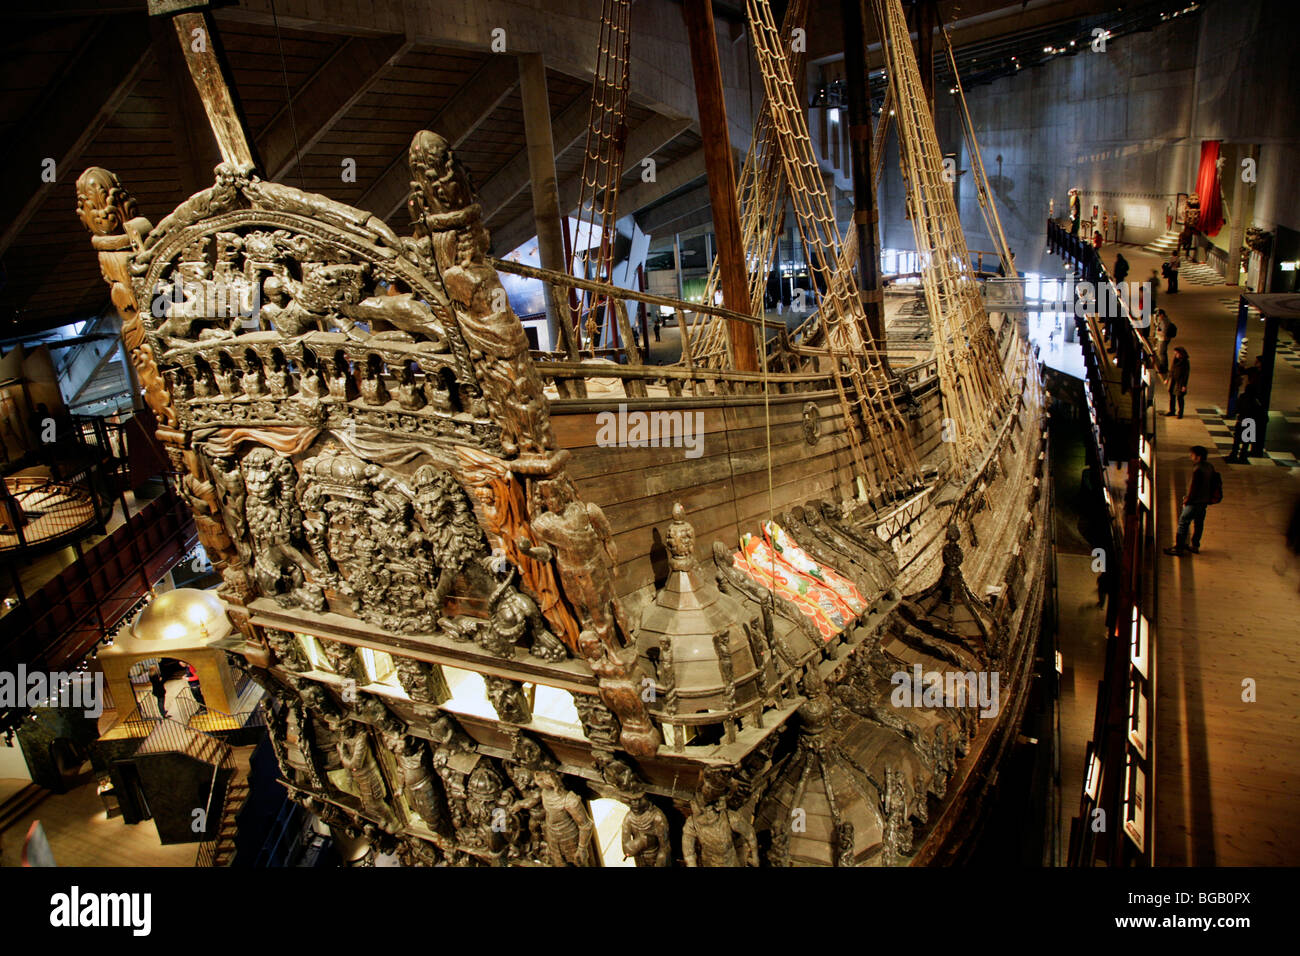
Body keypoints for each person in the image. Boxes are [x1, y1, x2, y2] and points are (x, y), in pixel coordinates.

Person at [1165, 445, 1216, 556]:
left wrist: (1187, 500)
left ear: (1198, 457)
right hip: (1204, 501)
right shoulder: (1210, 467)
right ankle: (1195, 546)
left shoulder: (1198, 469)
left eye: (1192, 455)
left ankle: (1179, 548)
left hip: (1194, 502)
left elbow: (1194, 487)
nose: (1190, 457)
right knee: (1199, 524)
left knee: (1183, 522)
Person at [1227, 370, 1262, 462]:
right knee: (1246, 441)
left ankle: (1234, 454)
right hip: (1250, 422)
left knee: (1237, 439)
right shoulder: (1255, 401)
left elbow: (1237, 408)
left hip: (1241, 420)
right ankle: (1243, 456)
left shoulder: (1242, 397)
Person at [1165, 346, 1189, 418]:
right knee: (1172, 396)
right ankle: (1172, 410)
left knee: (1180, 397)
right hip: (1173, 381)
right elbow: (1172, 369)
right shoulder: (1175, 360)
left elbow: (1186, 374)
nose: (1175, 355)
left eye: (1177, 354)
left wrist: (1184, 385)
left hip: (1180, 382)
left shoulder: (1185, 362)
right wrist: (1167, 379)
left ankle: (1180, 413)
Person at [1154, 309, 1177, 373]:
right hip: (1164, 339)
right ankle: (1164, 367)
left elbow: (1163, 332)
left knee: (1162, 353)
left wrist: (1157, 333)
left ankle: (1163, 368)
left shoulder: (1164, 321)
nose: (1158, 317)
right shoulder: (1165, 320)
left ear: (1162, 315)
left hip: (1163, 339)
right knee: (1162, 353)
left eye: (1159, 315)